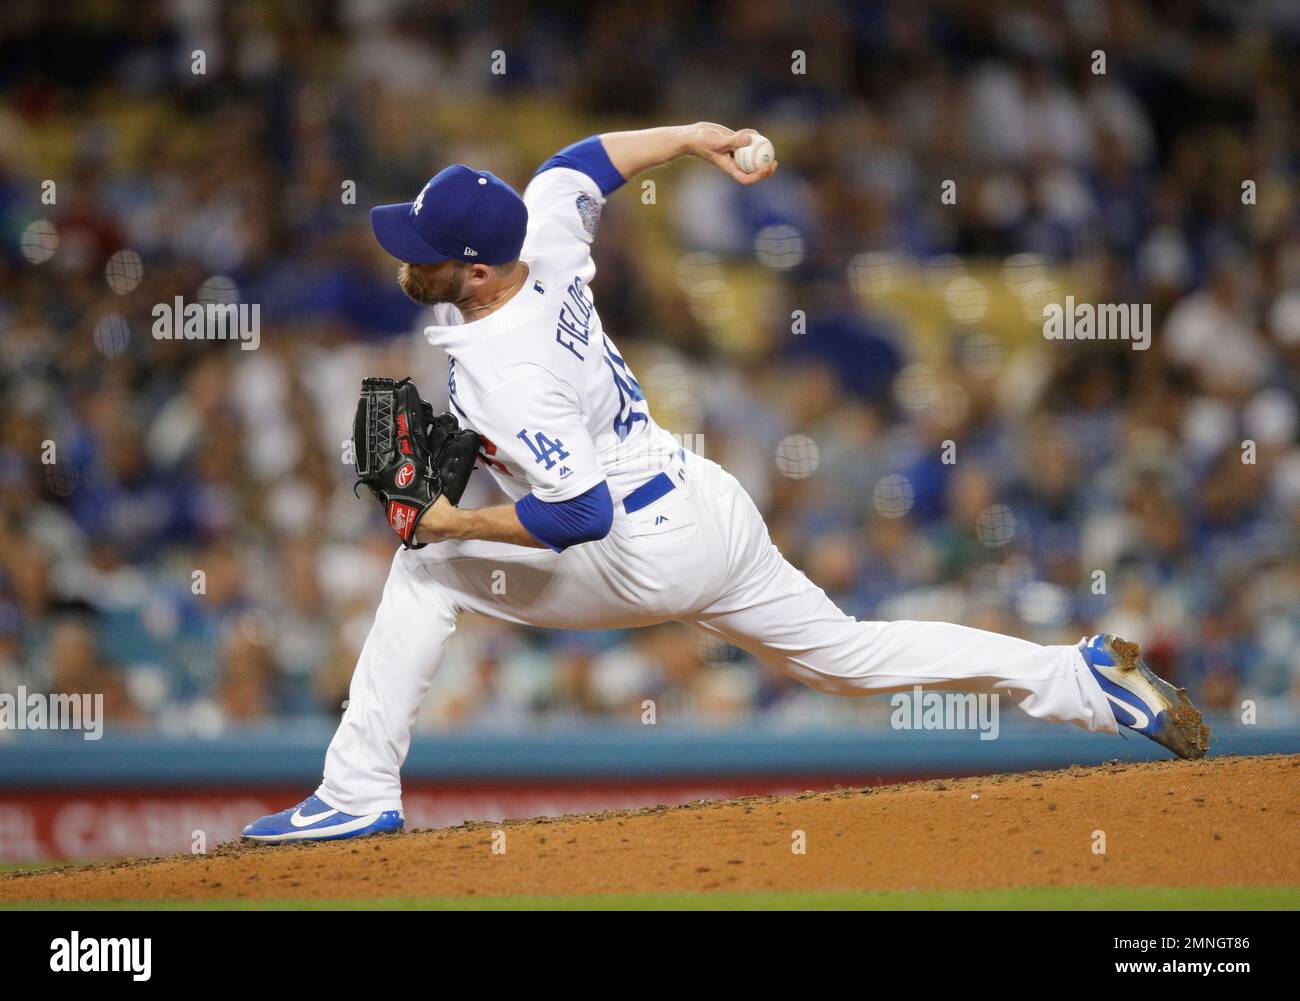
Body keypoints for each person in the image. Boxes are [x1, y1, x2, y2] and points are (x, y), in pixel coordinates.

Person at [243, 123, 1206, 843]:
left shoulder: (508, 361)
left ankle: (359, 791)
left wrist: (454, 523)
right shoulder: (540, 235)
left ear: (482, 269)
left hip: (639, 545)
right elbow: (585, 162)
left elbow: (579, 514)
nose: (406, 255)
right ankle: (1078, 680)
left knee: (424, 572)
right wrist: (700, 136)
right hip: (704, 500)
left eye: (427, 249)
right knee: (846, 653)